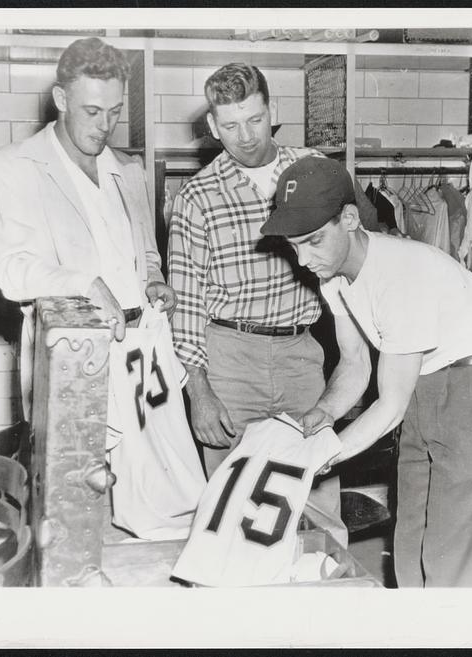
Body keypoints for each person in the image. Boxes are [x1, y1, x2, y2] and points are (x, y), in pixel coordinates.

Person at [260, 156, 472, 587]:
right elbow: (354, 363)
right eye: (294, 246)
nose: (303, 259)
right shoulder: (333, 274)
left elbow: (389, 406)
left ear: (350, 218)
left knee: (457, 561)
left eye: (312, 241)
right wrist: (323, 415)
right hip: (425, 386)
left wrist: (318, 458)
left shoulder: (400, 276)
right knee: (411, 543)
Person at [167, 63, 346, 546]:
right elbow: (184, 304)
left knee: (318, 498)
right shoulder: (197, 196)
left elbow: (353, 255)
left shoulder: (310, 169)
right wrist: (198, 390)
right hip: (229, 362)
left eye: (254, 119)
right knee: (232, 506)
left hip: (301, 356)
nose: (244, 136)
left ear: (273, 112)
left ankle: (328, 598)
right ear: (212, 127)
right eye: (229, 125)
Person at [0, 37, 176, 414]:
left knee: (156, 472)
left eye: (115, 111)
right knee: (82, 473)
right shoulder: (13, 165)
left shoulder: (129, 169)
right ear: (61, 98)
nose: (106, 126)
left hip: (143, 353)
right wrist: (85, 284)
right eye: (92, 111)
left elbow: (147, 252)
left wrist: (153, 279)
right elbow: (12, 271)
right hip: (71, 356)